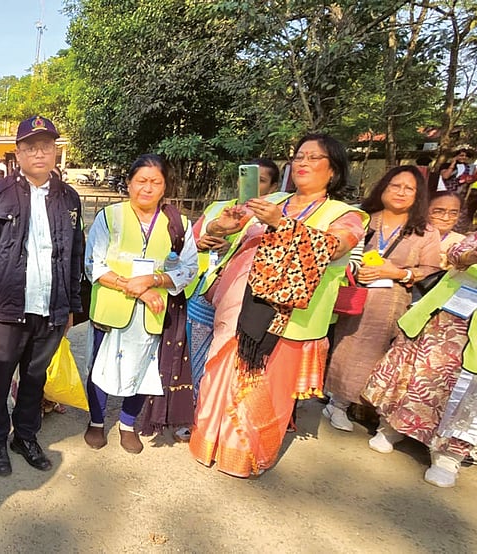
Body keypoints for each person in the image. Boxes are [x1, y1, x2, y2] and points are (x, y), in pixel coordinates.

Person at [188, 134, 366, 478]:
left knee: (268, 384)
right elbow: (224, 231)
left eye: (314, 158)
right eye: (299, 156)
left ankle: (245, 457)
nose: (302, 163)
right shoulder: (273, 199)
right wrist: (217, 229)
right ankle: (207, 443)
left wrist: (280, 224)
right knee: (219, 372)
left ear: (333, 171)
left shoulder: (347, 215)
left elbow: (334, 247)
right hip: (236, 302)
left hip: (288, 315)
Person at [0, 116, 86, 476]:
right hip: (7, 305)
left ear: (55, 151)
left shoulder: (69, 198)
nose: (39, 153)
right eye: (31, 146)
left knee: (35, 379)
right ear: (18, 152)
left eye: (46, 146)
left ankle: (26, 436)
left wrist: (73, 307)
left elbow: (75, 253)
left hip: (51, 305)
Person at [84, 154, 199, 453]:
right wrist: (132, 287)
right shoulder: (109, 217)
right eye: (141, 181)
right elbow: (92, 264)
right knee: (100, 366)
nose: (146, 188)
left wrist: (153, 282)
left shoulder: (178, 224)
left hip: (153, 313)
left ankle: (127, 423)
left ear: (165, 187)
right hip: (111, 308)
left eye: (155, 182)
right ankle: (96, 422)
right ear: (128, 184)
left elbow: (188, 268)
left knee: (143, 368)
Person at [322, 166, 441, 431]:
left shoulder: (425, 232)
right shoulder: (363, 219)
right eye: (395, 186)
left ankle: (361, 406)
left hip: (392, 301)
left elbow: (431, 270)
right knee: (345, 345)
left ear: (418, 195)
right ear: (383, 188)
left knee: (376, 353)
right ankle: (337, 402)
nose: (401, 192)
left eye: (409, 188)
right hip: (353, 293)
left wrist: (399, 272)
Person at [362, 233, 477, 487]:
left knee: (466, 391)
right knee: (415, 371)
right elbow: (458, 253)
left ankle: (449, 455)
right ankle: (391, 426)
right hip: (444, 318)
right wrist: (471, 256)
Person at [183, 159, 282, 435]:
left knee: (225, 361)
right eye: (247, 177)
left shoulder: (278, 217)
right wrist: (204, 241)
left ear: (274, 187)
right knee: (195, 354)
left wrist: (236, 247)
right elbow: (189, 239)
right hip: (204, 291)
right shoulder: (219, 208)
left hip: (243, 303)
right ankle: (191, 410)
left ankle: (217, 420)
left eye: (262, 180)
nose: (251, 184)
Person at [428, 191, 465, 268]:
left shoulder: (462, 242)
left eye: (453, 213)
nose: (446, 218)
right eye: (438, 212)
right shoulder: (411, 234)